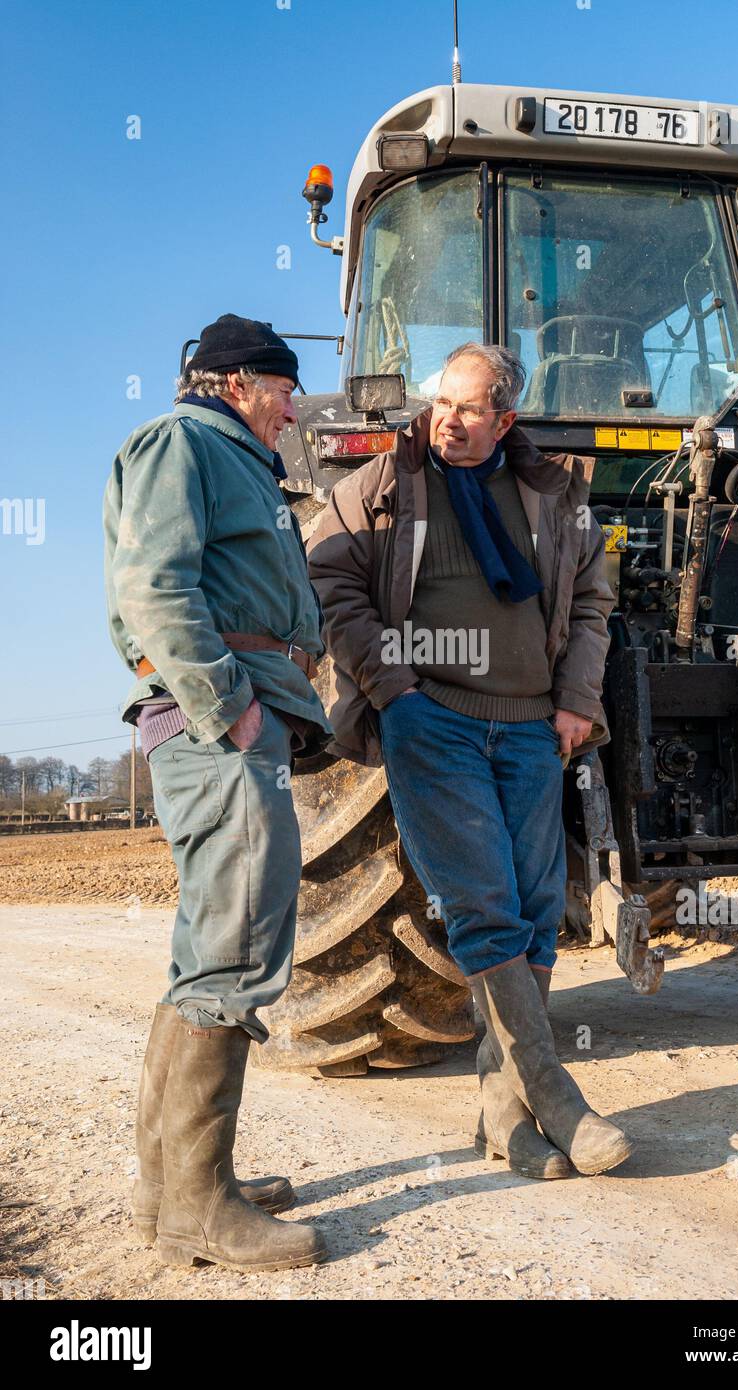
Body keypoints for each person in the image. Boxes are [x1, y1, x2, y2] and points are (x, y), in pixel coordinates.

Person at [308, 342, 631, 1180]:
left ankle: (502, 1118)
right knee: (483, 904)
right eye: (441, 402)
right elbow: (329, 579)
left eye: (470, 409)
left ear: (507, 419)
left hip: (530, 725)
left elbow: (593, 601)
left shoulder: (555, 495)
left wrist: (577, 700)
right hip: (434, 721)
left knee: (530, 906)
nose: (447, 420)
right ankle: (556, 1096)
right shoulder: (381, 486)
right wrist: (392, 690)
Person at [104, 314, 331, 1270]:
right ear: (238, 382)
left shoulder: (238, 458)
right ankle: (199, 1210)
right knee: (238, 945)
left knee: (210, 947)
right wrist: (229, 708)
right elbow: (155, 587)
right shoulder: (182, 442)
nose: (294, 406)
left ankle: (175, 1188)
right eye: (284, 387)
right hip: (222, 726)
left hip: (238, 719)